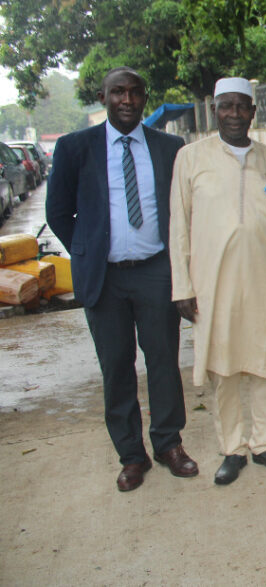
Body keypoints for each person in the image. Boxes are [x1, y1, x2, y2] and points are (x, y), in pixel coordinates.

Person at [46, 66, 196, 492]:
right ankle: (131, 455)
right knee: (116, 366)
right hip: (105, 278)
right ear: (103, 97)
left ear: (145, 97)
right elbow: (58, 211)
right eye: (118, 92)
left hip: (155, 272)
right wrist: (88, 249)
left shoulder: (169, 147)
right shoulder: (76, 147)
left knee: (164, 360)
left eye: (134, 92)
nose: (126, 100)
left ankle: (169, 444)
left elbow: (182, 210)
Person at [170, 77, 266, 485]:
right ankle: (232, 449)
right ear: (215, 110)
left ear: (253, 112)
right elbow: (178, 227)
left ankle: (264, 444)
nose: (233, 114)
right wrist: (182, 287)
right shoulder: (191, 158)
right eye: (225, 106)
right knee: (223, 370)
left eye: (241, 106)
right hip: (213, 285)